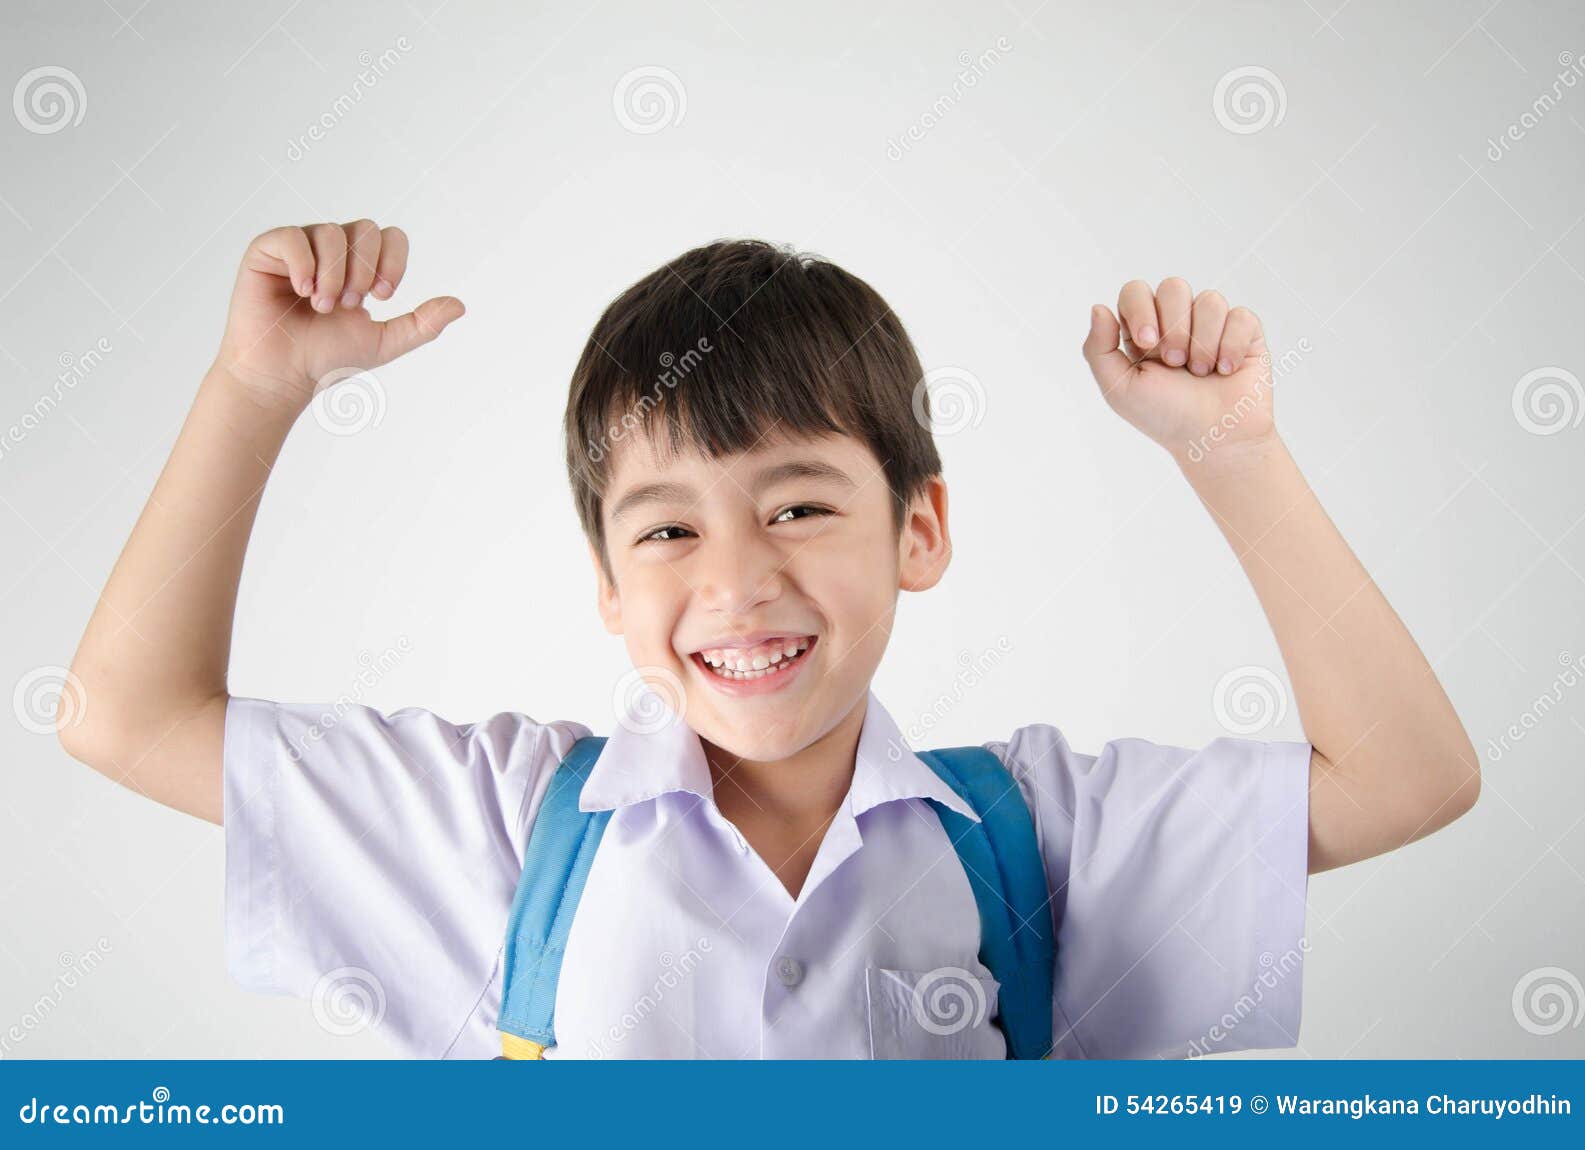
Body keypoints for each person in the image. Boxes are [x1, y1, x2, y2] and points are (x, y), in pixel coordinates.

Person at [60, 221, 1479, 1059]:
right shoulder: (505, 831)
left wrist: (1234, 454)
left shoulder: (1042, 838)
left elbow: (1409, 774)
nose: (737, 580)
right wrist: (256, 387)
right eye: (668, 529)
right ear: (608, 587)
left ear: (918, 529)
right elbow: (123, 712)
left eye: (799, 503)